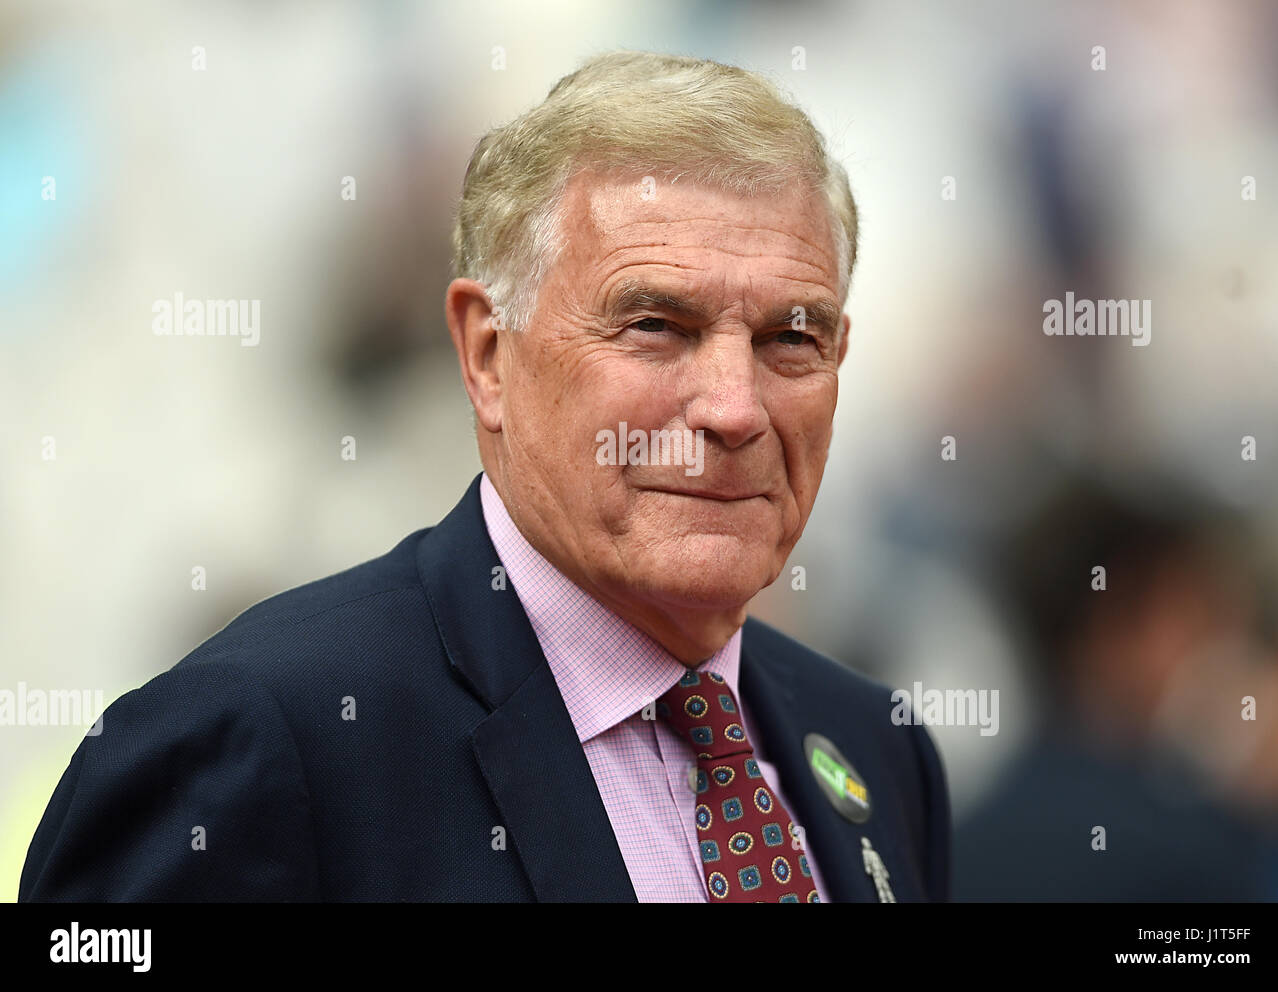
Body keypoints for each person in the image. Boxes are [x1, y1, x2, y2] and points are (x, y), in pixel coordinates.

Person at [20, 50, 949, 903]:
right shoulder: (260, 743)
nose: (735, 408)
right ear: (487, 354)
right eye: (656, 326)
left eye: (792, 338)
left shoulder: (875, 745)